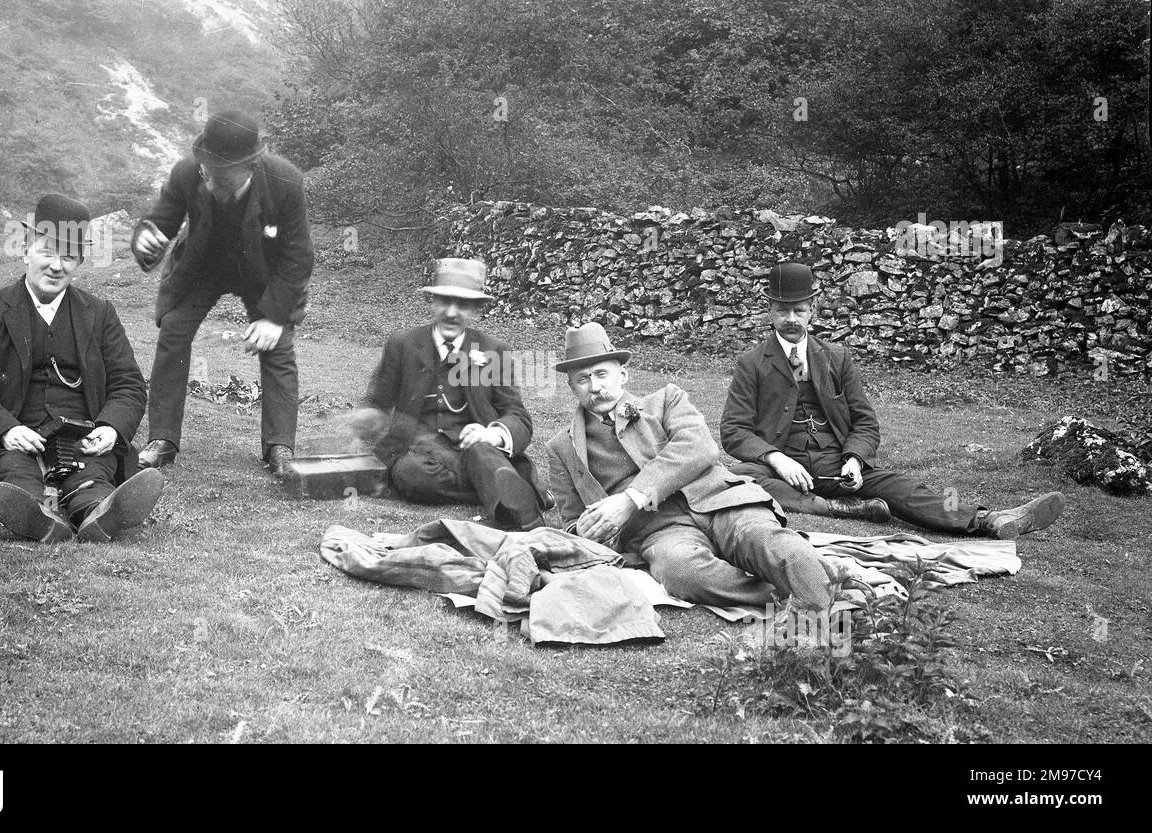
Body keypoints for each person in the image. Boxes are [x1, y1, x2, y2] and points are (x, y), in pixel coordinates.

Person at [719, 262, 1065, 539]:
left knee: (904, 486)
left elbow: (865, 421)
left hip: (836, 467)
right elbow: (734, 430)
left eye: (798, 310)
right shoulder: (752, 364)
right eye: (782, 311)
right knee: (737, 477)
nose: (790, 319)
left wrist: (854, 459)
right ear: (770, 311)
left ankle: (989, 519)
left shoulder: (836, 357)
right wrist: (777, 459)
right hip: (786, 471)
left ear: (812, 309)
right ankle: (837, 509)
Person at [0, 194, 162, 543]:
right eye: (47, 252)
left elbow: (128, 383)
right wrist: (6, 429)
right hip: (15, 434)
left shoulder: (100, 313)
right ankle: (37, 513)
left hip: (82, 435)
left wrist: (111, 428)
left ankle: (98, 510)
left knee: (92, 471)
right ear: (25, 251)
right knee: (13, 468)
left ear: (79, 262)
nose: (56, 266)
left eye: (68, 256)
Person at [546, 322, 834, 609]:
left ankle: (822, 595)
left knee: (771, 544)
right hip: (661, 532)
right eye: (583, 379)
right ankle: (785, 595)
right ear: (572, 387)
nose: (595, 387)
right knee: (682, 574)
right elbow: (571, 522)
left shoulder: (667, 400)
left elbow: (699, 447)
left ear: (623, 375)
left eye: (601, 374)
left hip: (722, 502)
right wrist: (585, 530)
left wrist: (630, 499)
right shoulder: (562, 448)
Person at [130, 109, 314, 480]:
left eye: (217, 171)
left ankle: (279, 447)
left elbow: (299, 256)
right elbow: (160, 221)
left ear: (249, 166)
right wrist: (144, 237)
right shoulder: (187, 172)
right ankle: (162, 440)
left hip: (262, 274)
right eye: (204, 166)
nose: (206, 175)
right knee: (174, 332)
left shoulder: (284, 181)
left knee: (276, 346)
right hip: (202, 269)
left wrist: (274, 317)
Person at [351, 258, 550, 531]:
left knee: (480, 452)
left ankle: (518, 512)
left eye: (463, 305)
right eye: (445, 301)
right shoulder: (403, 345)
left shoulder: (493, 350)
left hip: (475, 449)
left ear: (477, 310)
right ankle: (508, 488)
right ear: (432, 301)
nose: (452, 313)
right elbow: (377, 403)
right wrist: (366, 418)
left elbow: (518, 416)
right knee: (410, 473)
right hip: (421, 455)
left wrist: (491, 434)